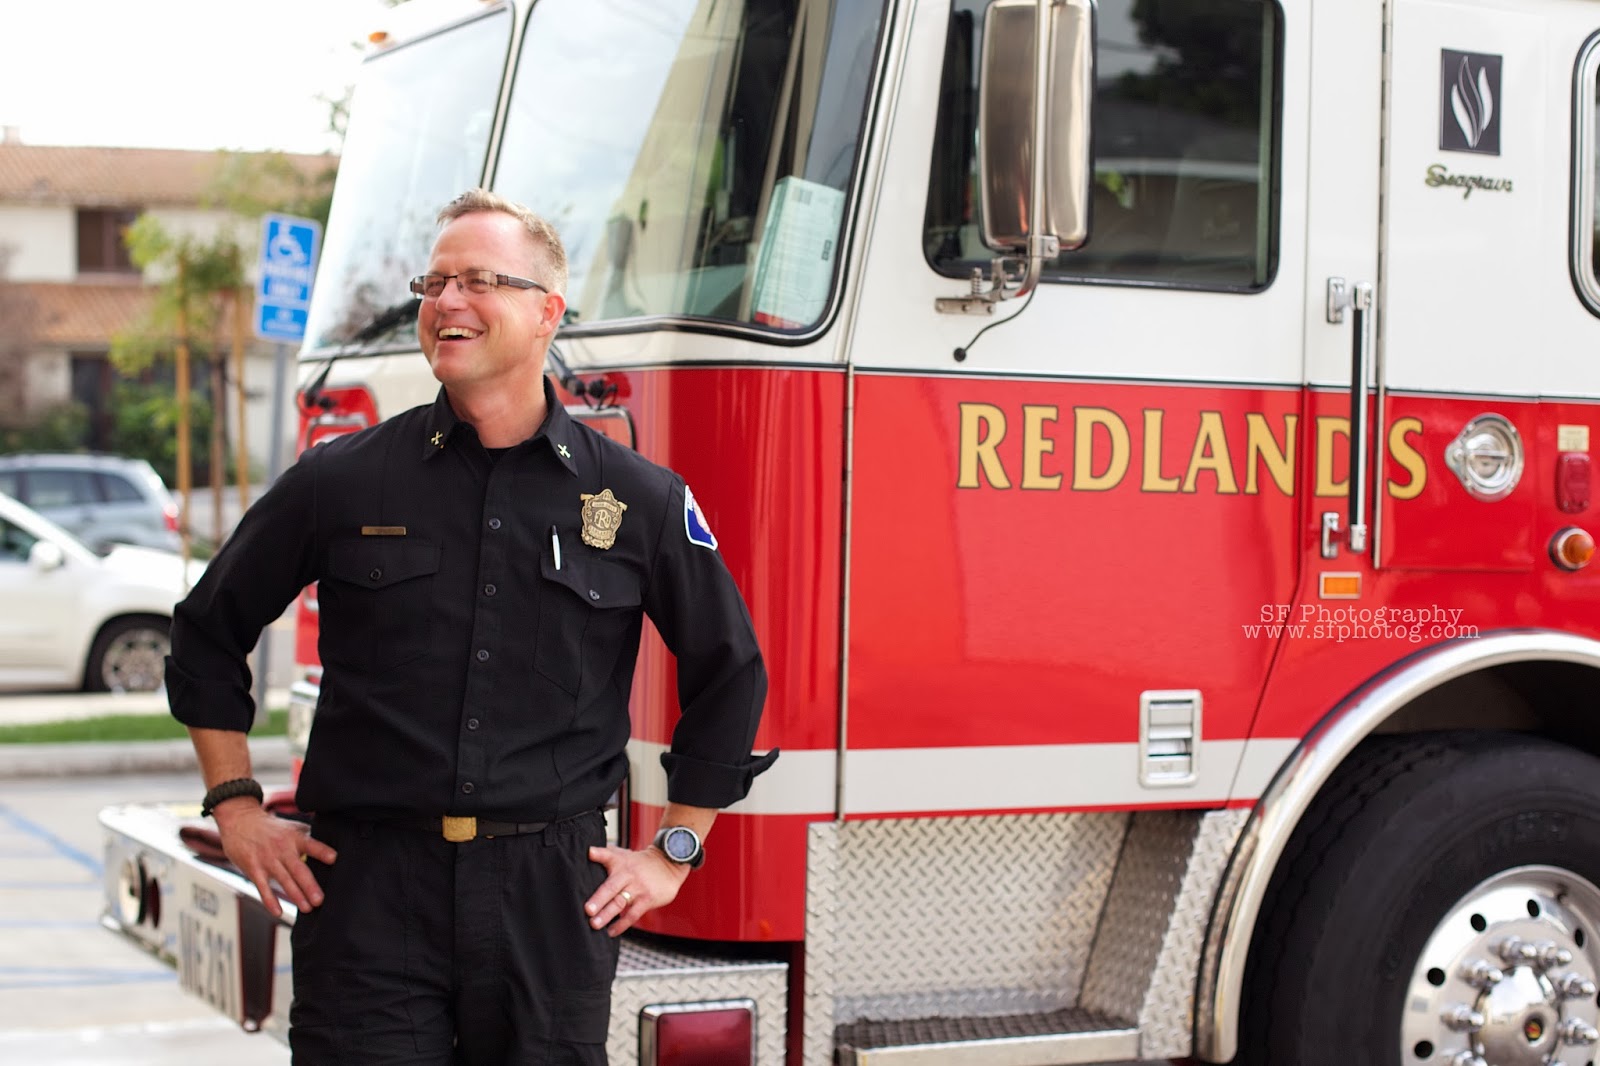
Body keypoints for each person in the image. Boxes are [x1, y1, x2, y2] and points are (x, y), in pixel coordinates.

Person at [166, 187, 774, 1064]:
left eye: (479, 280)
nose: (446, 302)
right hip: (369, 891)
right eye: (435, 282)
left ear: (546, 313)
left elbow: (732, 671)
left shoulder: (637, 498)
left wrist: (675, 850)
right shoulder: (342, 480)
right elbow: (206, 631)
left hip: (549, 899)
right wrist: (235, 807)